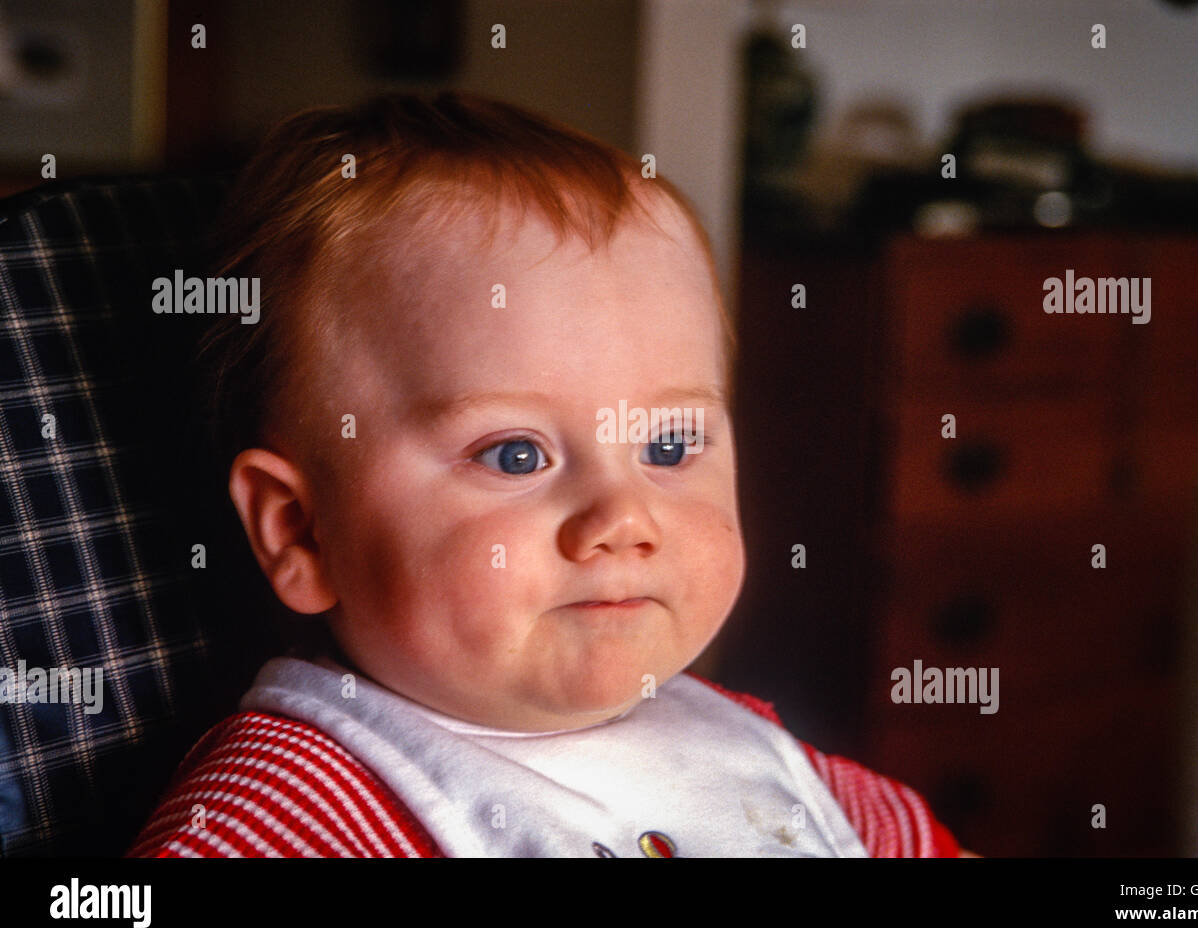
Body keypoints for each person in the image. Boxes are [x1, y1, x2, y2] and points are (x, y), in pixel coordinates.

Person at [127, 91, 966, 858]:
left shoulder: (741, 749)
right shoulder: (286, 806)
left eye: (669, 447)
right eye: (516, 455)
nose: (624, 517)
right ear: (302, 533)